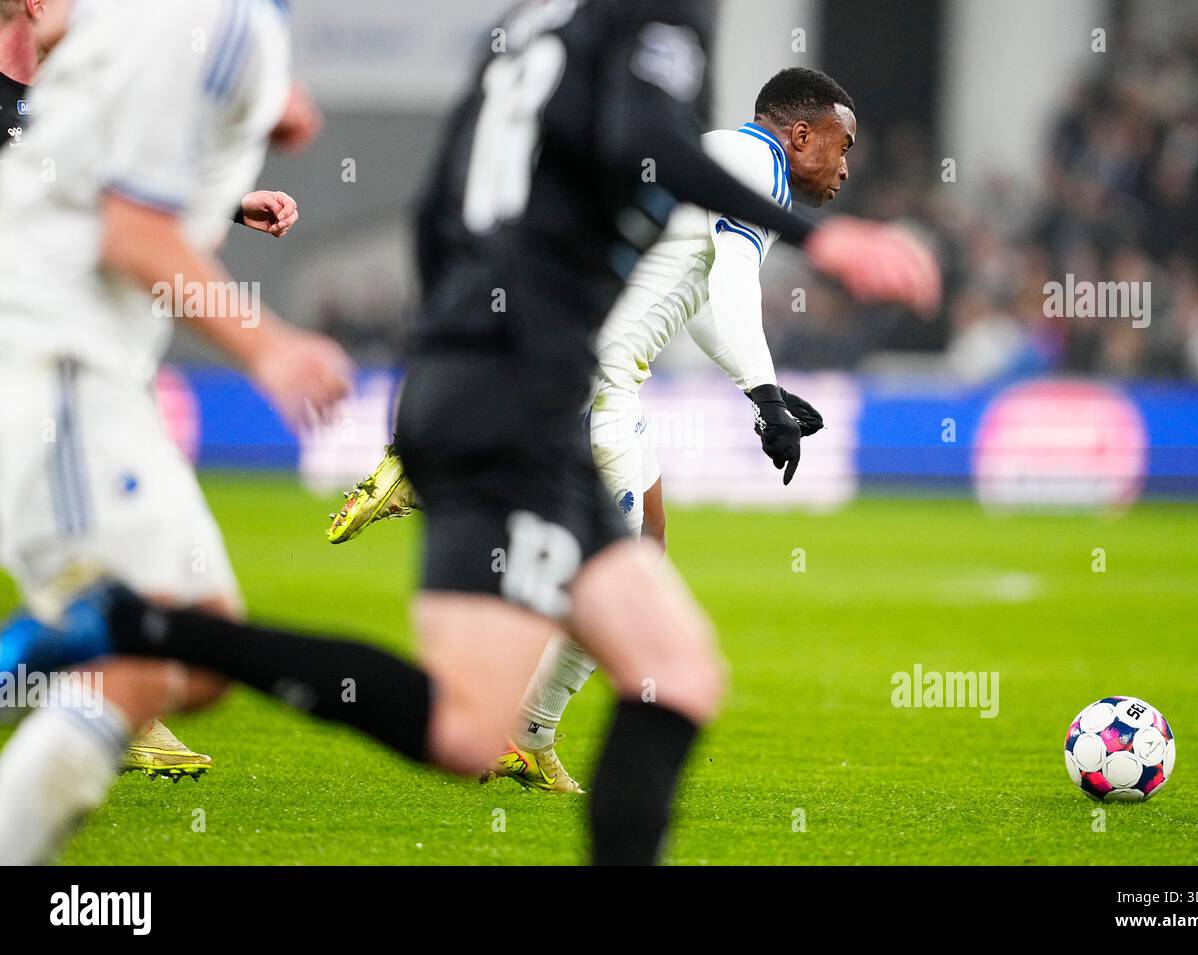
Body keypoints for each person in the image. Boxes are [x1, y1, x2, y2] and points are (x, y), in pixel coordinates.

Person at [0, 0, 938, 866]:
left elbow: (453, 200)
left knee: (671, 669)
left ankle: (155, 625)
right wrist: (819, 261)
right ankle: (137, 623)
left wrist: (450, 342)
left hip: (502, 372)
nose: (846, 172)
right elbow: (651, 147)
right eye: (841, 151)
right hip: (532, 392)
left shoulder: (528, 27)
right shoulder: (678, 52)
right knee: (468, 718)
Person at [328, 67, 926, 793]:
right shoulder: (757, 166)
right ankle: (460, 514)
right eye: (844, 145)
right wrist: (766, 394)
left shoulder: (725, 156)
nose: (845, 165)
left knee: (647, 541)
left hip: (603, 372)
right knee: (606, 573)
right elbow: (733, 282)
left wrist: (759, 387)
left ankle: (523, 719)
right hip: (590, 378)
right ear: (801, 134)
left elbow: (701, 296)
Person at [0, 0, 353, 864]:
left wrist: (259, 104)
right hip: (54, 355)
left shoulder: (185, 24)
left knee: (192, 647)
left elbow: (99, 115)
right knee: (167, 632)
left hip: (77, 360)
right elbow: (133, 232)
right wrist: (270, 348)